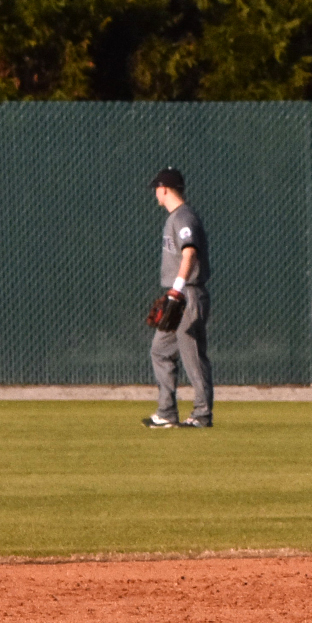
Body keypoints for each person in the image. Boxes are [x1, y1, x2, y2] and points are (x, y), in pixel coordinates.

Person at [143, 167, 213, 429]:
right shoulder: (175, 217)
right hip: (179, 296)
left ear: (164, 189)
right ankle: (166, 412)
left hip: (188, 293)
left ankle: (202, 415)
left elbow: (190, 251)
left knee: (192, 355)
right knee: (160, 350)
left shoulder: (183, 217)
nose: (155, 194)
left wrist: (177, 288)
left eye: (156, 189)